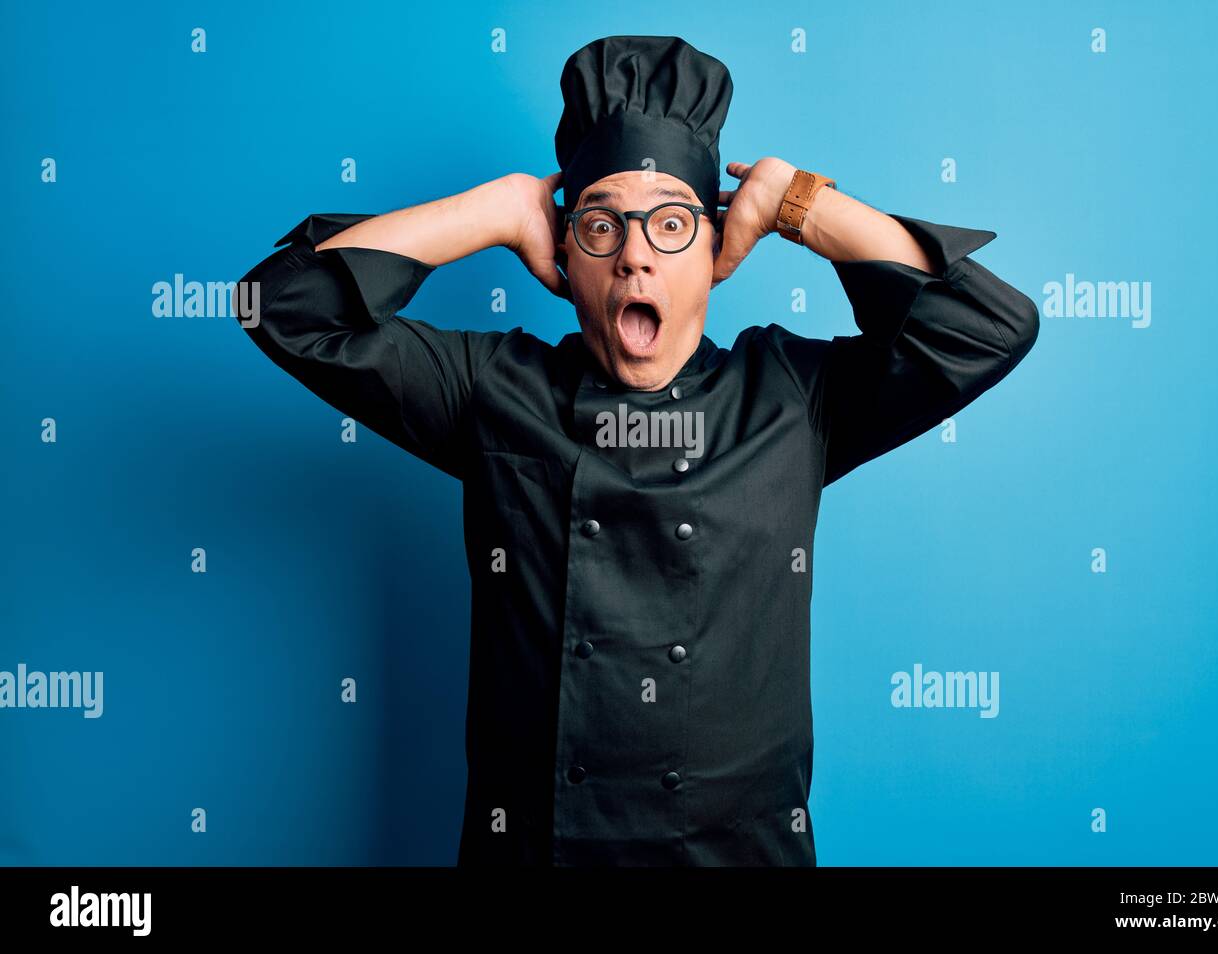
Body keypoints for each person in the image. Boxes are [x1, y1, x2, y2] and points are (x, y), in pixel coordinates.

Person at [232, 35, 1040, 866]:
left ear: (717, 250)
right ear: (563, 255)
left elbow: (988, 328)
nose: (636, 255)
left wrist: (795, 202)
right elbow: (279, 304)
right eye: (600, 226)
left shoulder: (794, 399)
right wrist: (498, 209)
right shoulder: (493, 390)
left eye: (671, 222)